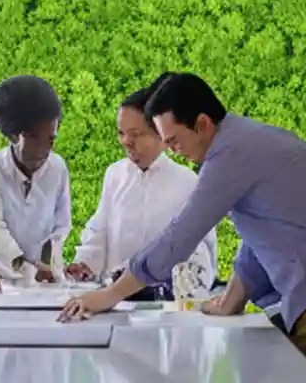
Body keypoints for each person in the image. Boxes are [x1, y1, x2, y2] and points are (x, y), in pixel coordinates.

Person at [59, 73, 306, 383]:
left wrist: (109, 294)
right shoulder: (265, 138)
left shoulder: (228, 154)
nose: (174, 151)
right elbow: (262, 237)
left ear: (203, 124)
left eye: (174, 141)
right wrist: (232, 301)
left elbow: (179, 238)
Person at [65, 87, 216, 300]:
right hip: (116, 300)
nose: (127, 142)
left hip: (166, 302)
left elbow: (200, 252)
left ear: (161, 135)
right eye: (121, 133)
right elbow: (100, 230)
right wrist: (85, 263)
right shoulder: (115, 175)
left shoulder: (187, 182)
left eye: (136, 134)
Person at [0, 75, 71, 284]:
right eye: (34, 138)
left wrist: (48, 263)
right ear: (13, 135)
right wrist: (27, 270)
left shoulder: (58, 168)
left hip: (38, 281)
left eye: (51, 139)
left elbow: (61, 226)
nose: (44, 149)